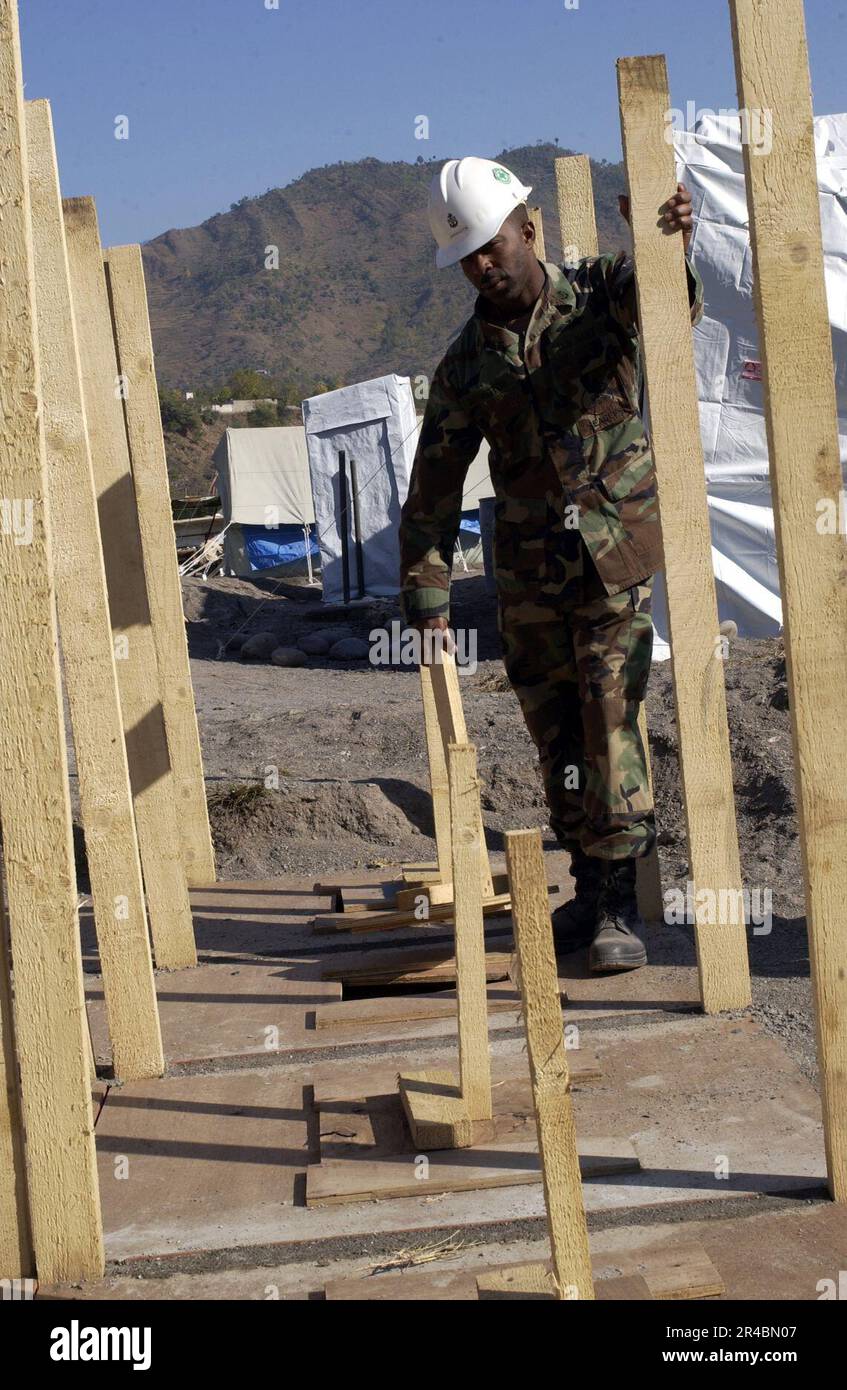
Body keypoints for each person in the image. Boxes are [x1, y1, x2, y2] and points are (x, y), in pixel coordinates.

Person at [398, 156, 702, 972]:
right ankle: (585, 884)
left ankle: (609, 908)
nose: (481, 265)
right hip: (529, 578)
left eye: (490, 246)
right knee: (554, 732)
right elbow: (433, 480)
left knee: (609, 724)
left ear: (528, 229)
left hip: (611, 559)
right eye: (465, 258)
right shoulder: (466, 363)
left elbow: (669, 307)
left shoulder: (601, 296)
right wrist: (425, 592)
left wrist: (668, 241)